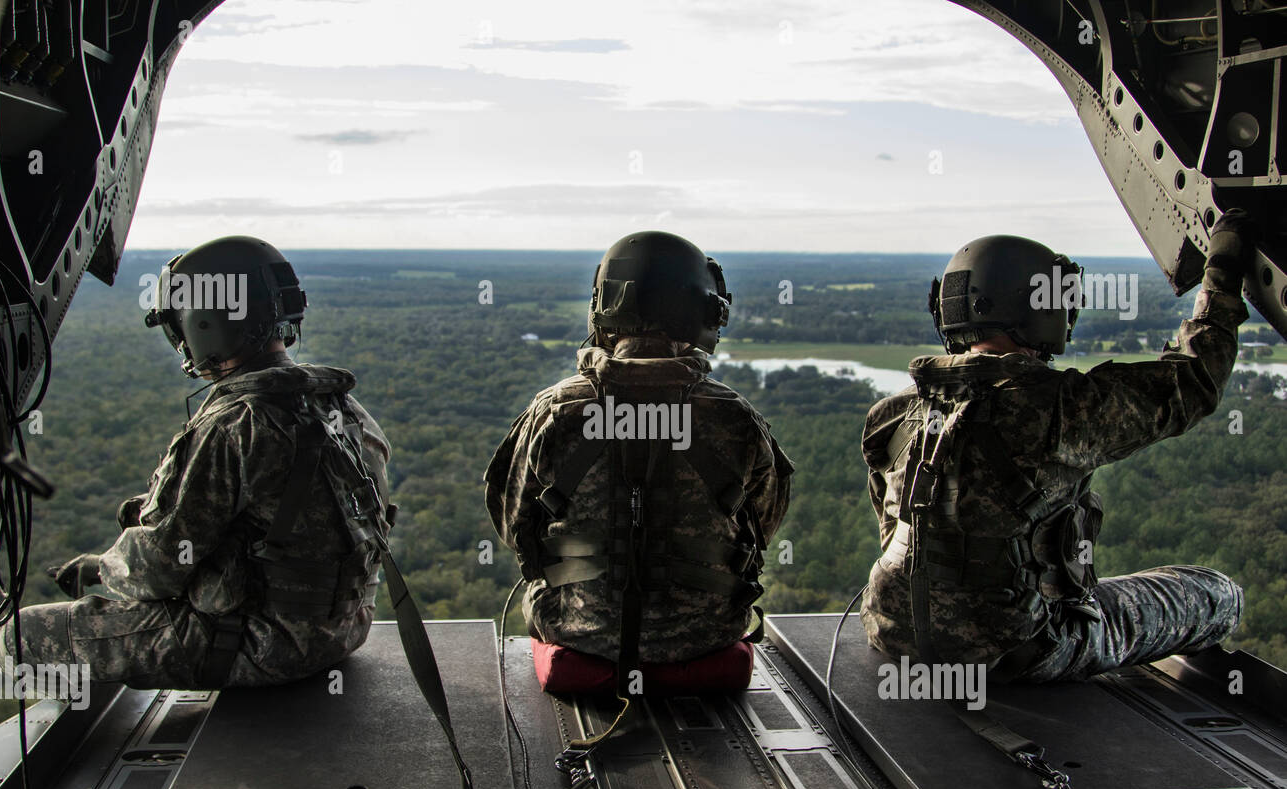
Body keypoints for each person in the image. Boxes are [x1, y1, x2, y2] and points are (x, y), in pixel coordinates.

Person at [860, 212, 1257, 682]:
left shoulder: (891, 415)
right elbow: (1193, 382)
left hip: (893, 633)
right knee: (1215, 593)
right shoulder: (1061, 408)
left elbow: (898, 532)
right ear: (1038, 308)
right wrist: (1222, 275)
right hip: (1014, 649)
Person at [0, 235, 392, 689]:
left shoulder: (235, 424)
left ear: (204, 325)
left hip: (264, 644)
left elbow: (158, 569)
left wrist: (103, 569)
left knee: (18, 641)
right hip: (343, 631)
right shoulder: (346, 410)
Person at [485, 231, 793, 674]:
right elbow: (762, 526)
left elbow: (515, 527)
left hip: (576, 629)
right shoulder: (736, 418)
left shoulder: (554, 411)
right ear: (704, 313)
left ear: (604, 306)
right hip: (707, 635)